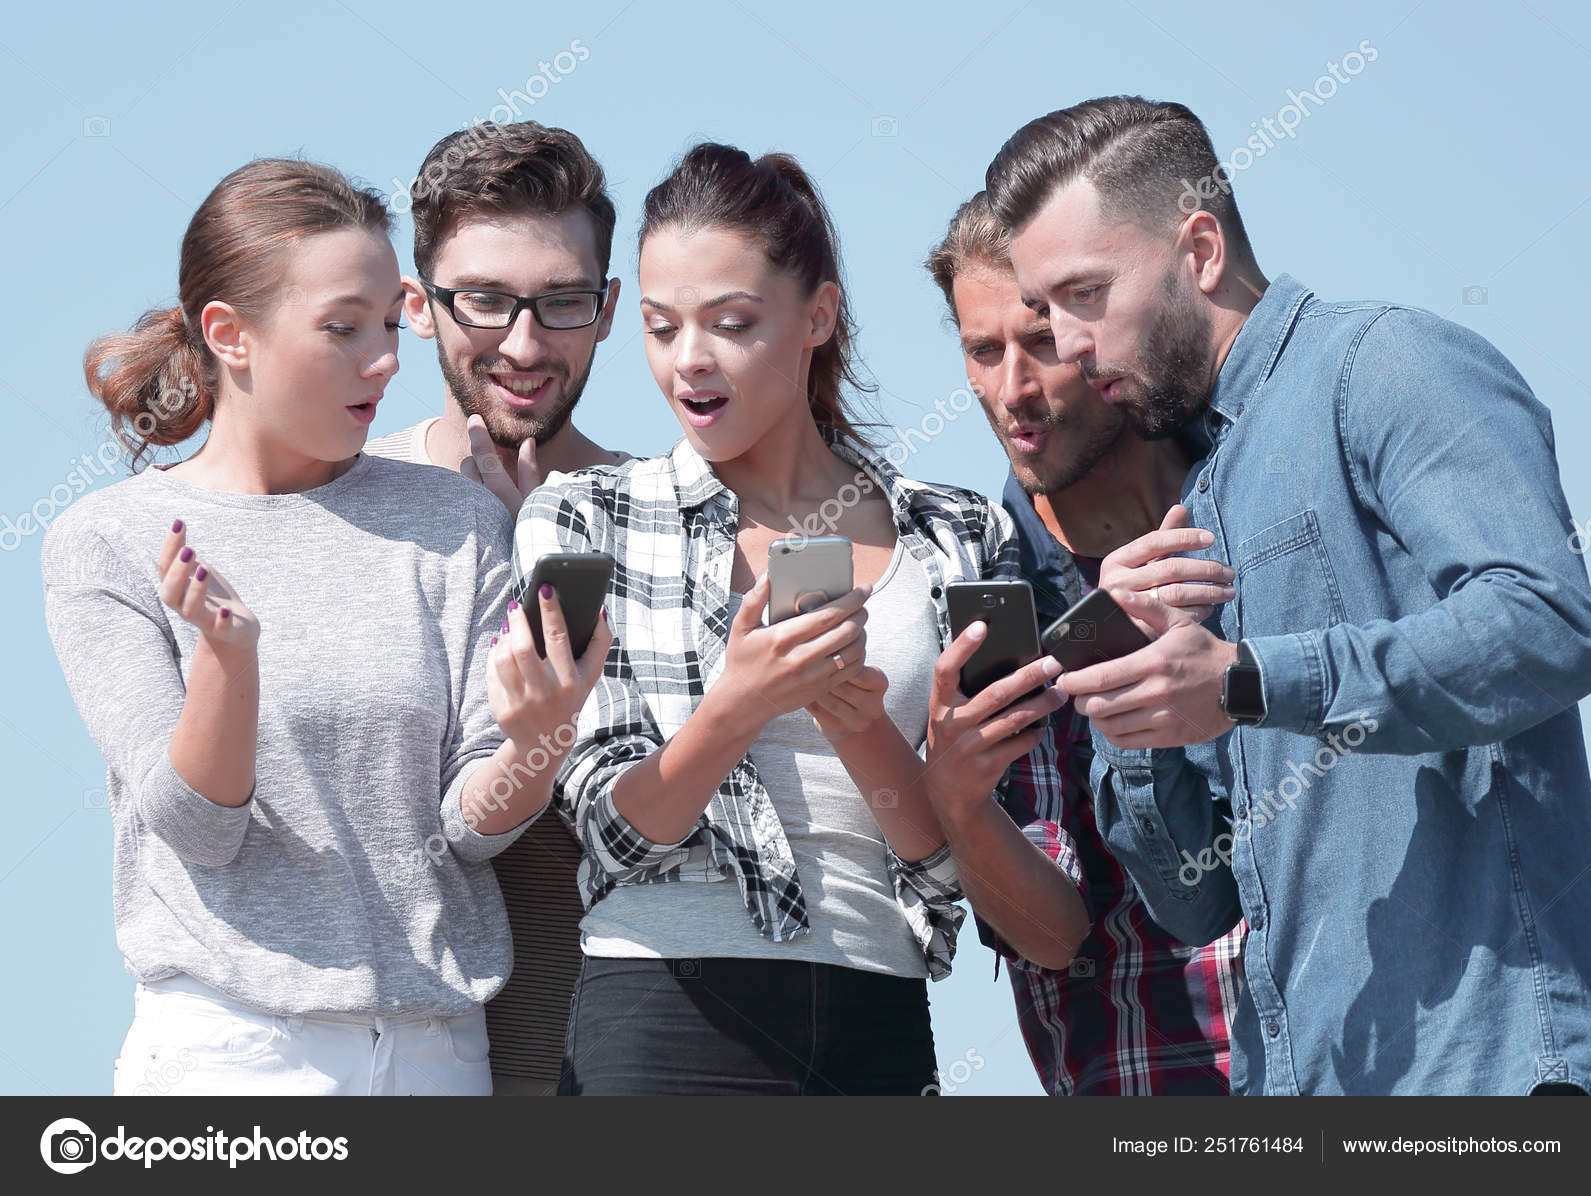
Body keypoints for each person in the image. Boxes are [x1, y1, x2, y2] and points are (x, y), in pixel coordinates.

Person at [987, 95, 1591, 1095]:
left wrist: (1245, 677)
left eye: (1086, 294)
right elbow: (1195, 903)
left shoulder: (1386, 364)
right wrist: (1128, 705)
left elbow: (1550, 621)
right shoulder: (1199, 495)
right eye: (1045, 309)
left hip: (1484, 1071)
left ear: (1198, 248)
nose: (1067, 343)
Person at [515, 143, 1089, 1095]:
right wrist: (735, 707)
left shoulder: (957, 536)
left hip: (881, 1019)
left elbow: (964, 872)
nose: (688, 360)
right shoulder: (588, 517)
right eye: (660, 328)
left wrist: (861, 726)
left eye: (732, 323)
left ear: (817, 315)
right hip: (664, 1019)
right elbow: (611, 834)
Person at [42, 158, 604, 1096]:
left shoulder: (455, 523)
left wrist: (543, 736)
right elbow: (194, 827)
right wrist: (228, 664)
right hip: (233, 1060)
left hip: (440, 1055)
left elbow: (470, 828)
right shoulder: (108, 541)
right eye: (343, 329)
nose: (384, 359)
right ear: (229, 334)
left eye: (389, 325)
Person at [924, 190, 1245, 1095]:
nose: (1011, 391)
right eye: (982, 352)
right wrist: (954, 795)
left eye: (1037, 342)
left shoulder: (1266, 499)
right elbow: (1051, 932)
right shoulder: (990, 591)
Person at [365, 121, 625, 1095]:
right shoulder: (333, 510)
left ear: (606, 309)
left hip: (631, 1063)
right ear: (418, 305)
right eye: (484, 299)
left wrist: (538, 562)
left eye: (561, 300)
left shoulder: (675, 521)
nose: (524, 342)